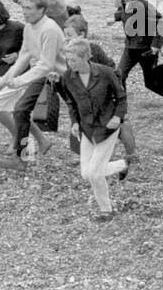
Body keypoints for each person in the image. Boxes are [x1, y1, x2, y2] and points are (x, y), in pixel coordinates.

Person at [47, 36, 130, 220]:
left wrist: (117, 117)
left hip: (107, 127)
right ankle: (122, 164)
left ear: (86, 57)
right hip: (86, 128)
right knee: (86, 173)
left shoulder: (106, 73)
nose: (69, 63)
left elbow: (121, 98)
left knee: (94, 174)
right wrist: (74, 122)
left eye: (73, 60)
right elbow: (71, 102)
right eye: (67, 60)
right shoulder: (69, 76)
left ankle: (106, 210)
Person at [0, 0, 65, 170]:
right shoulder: (30, 27)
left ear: (42, 10)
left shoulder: (50, 29)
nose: (24, 12)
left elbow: (46, 64)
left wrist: (19, 81)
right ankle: (21, 158)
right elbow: (25, 55)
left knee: (84, 115)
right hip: (44, 74)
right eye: (23, 8)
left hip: (64, 77)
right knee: (20, 111)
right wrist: (6, 80)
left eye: (28, 8)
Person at [113, 0, 163, 114]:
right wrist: (115, 17)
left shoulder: (144, 5)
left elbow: (160, 22)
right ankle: (121, 108)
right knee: (119, 75)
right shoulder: (125, 2)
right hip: (130, 48)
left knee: (151, 83)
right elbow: (124, 13)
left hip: (146, 50)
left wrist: (156, 45)